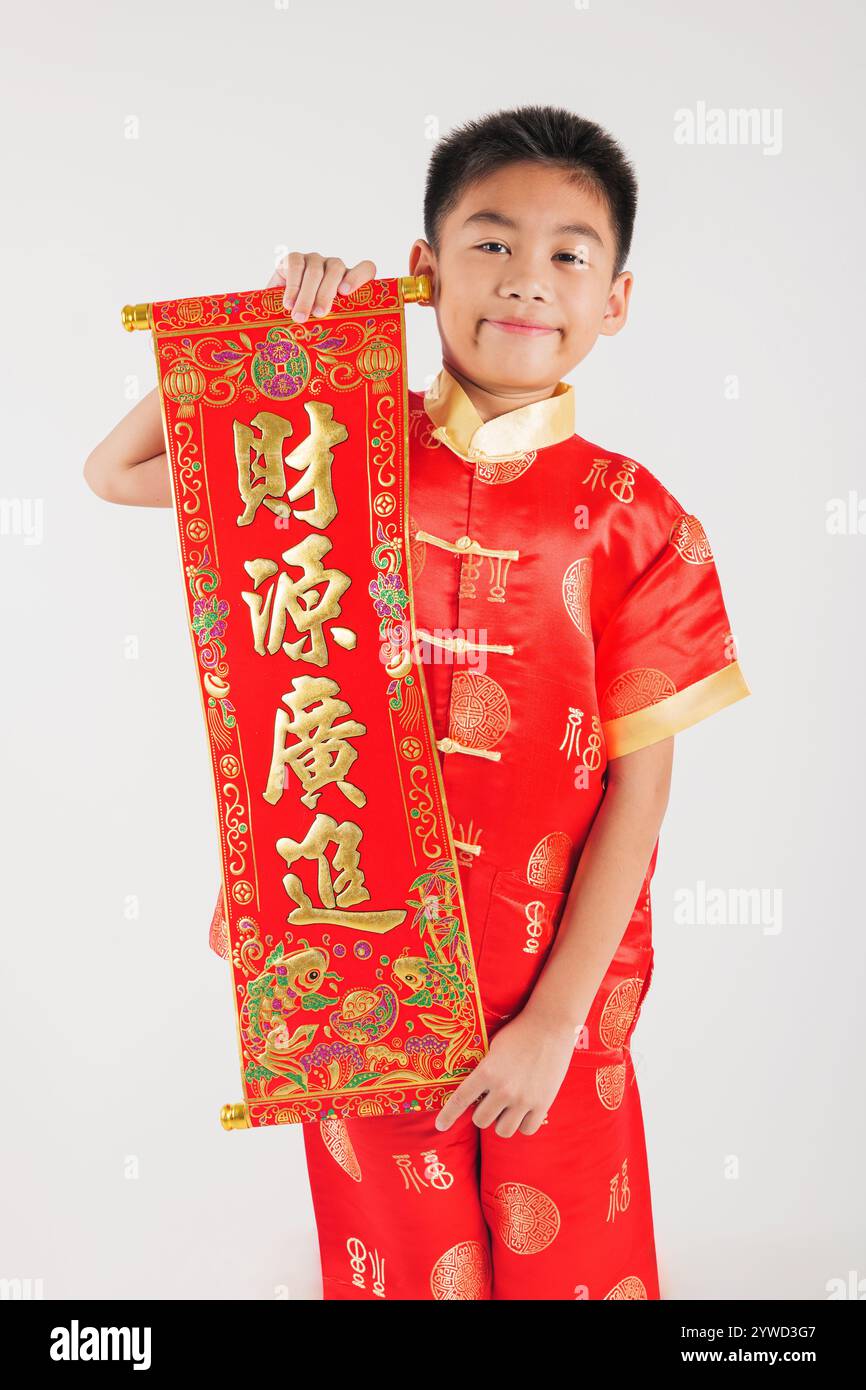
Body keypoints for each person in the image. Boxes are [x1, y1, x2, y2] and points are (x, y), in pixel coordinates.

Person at [84, 104, 750, 1301]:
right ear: (423, 271)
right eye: (489, 243)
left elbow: (639, 788)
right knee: (395, 1257)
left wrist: (555, 1019)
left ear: (616, 300)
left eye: (568, 255)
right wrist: (269, 330)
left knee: (570, 1262)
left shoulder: (633, 514)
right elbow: (116, 471)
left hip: (563, 970)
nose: (526, 281)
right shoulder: (329, 445)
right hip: (357, 951)